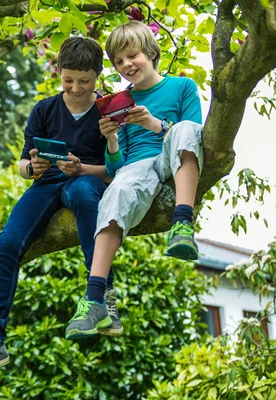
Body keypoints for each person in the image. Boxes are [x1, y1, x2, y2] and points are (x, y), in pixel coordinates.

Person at [0, 36, 117, 382]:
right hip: (46, 183)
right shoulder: (44, 110)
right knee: (7, 245)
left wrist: (82, 168)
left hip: (86, 180)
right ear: (59, 72)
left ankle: (102, 297)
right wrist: (34, 167)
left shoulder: (108, 111)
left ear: (97, 75)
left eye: (85, 81)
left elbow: (114, 170)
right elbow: (22, 165)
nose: (76, 88)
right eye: (68, 80)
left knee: (85, 197)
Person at [65, 20, 204, 340]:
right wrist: (111, 140)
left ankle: (182, 224)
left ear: (151, 52)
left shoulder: (182, 87)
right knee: (115, 193)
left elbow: (195, 136)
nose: (127, 64)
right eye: (119, 61)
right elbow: (117, 168)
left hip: (173, 154)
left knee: (184, 130)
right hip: (137, 166)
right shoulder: (118, 102)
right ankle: (95, 297)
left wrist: (154, 124)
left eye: (133, 55)